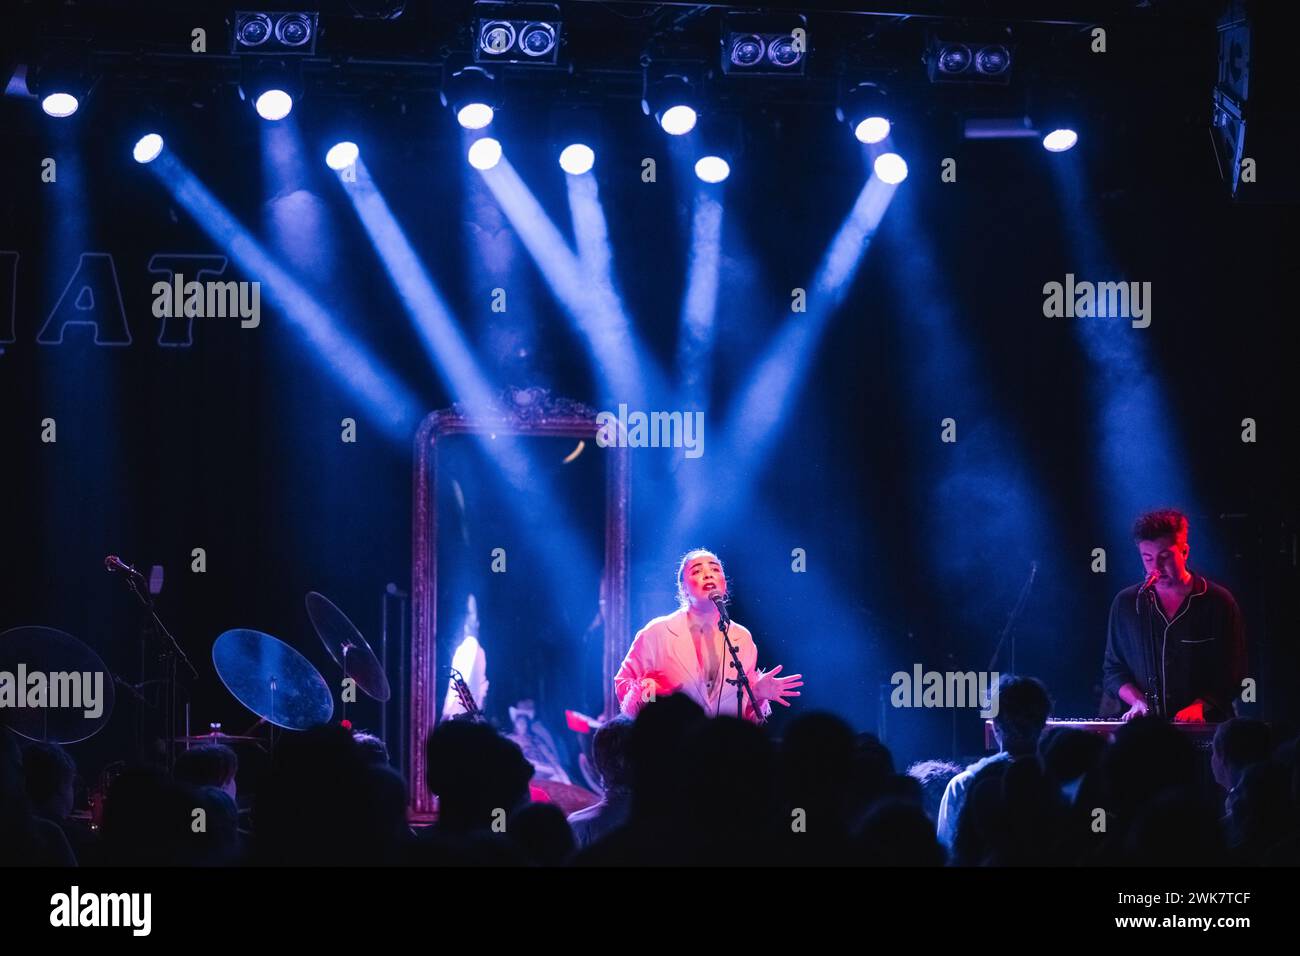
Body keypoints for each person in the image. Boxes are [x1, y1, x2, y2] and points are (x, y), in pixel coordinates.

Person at [614, 549, 802, 722]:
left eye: (715, 569)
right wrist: (652, 695)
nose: (708, 574)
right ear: (684, 589)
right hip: (671, 746)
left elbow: (745, 719)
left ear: (724, 584)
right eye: (696, 571)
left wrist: (757, 694)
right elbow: (623, 683)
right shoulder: (657, 632)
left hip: (721, 750)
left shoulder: (741, 638)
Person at [1102, 509, 1247, 722]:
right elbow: (1113, 669)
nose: (1156, 568)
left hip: (1206, 725)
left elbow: (1233, 673)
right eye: (1148, 558)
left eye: (1165, 556)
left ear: (1184, 552)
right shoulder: (1126, 603)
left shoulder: (1218, 601)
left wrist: (1201, 706)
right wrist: (1137, 701)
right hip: (1146, 729)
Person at [936, 674, 1051, 852]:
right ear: (1044, 724)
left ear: (994, 725)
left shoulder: (963, 785)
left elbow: (947, 852)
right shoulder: (1061, 781)